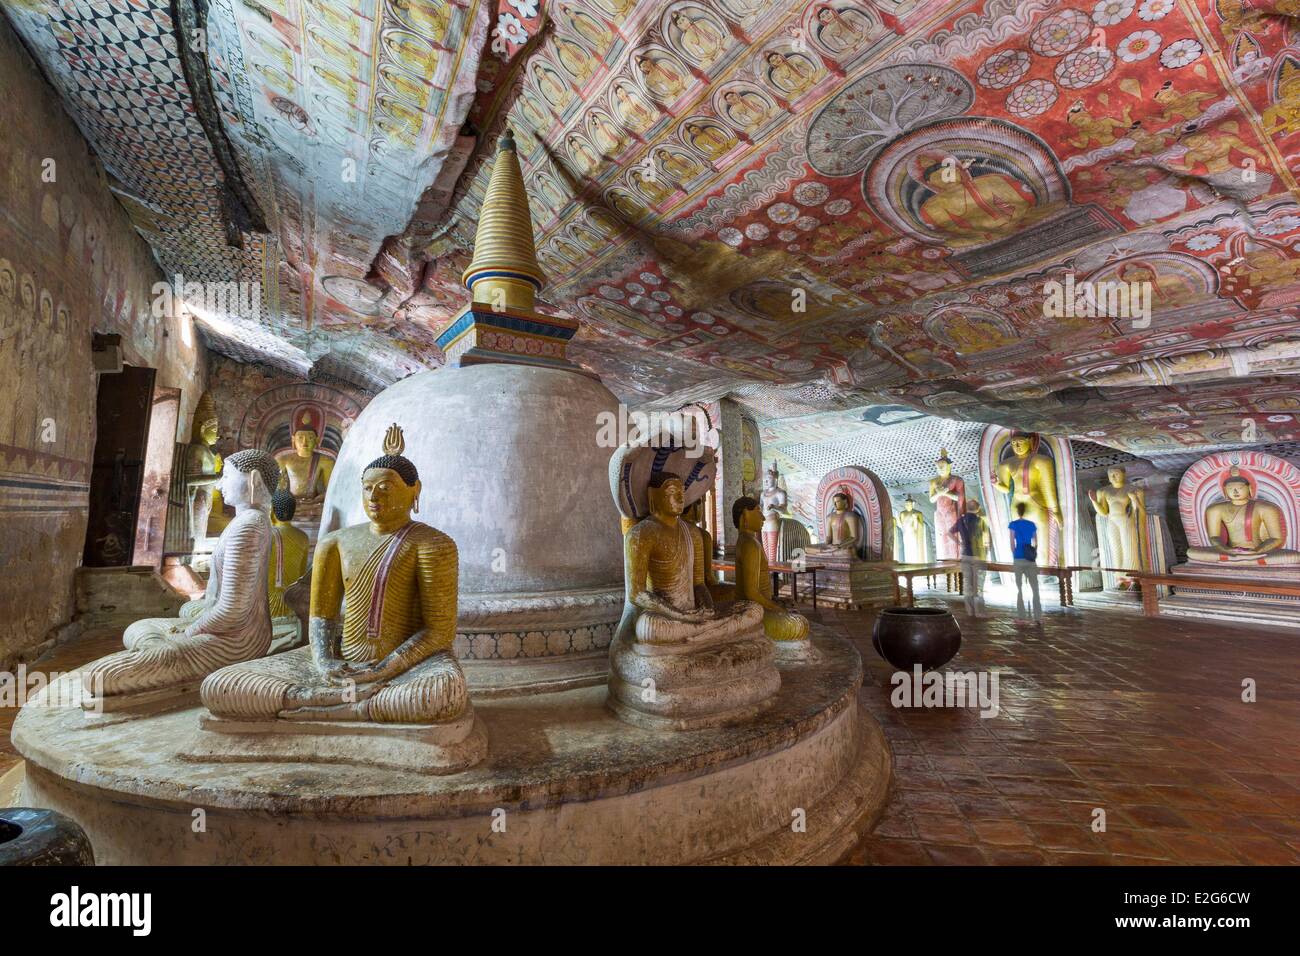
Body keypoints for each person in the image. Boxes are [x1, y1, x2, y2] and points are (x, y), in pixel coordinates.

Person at [951, 500, 989, 618]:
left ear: (967, 508)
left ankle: (970, 611)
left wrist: (960, 542)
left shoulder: (961, 520)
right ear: (977, 509)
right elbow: (986, 539)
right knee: (978, 584)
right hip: (978, 555)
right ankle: (979, 612)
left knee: (968, 584)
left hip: (965, 555)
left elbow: (950, 533)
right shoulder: (980, 520)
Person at [1008, 502, 1042, 622]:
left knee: (1019, 588)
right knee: (1035, 588)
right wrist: (1033, 553)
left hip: (1018, 557)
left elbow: (1012, 542)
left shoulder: (1013, 524)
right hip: (1030, 559)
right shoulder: (1031, 524)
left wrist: (1014, 554)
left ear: (1017, 511)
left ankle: (1021, 617)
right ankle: (1038, 617)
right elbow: (1035, 542)